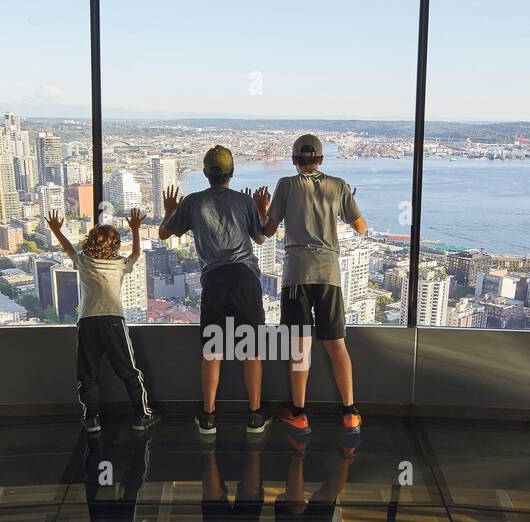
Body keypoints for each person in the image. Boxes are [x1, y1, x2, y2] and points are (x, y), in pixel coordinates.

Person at [256, 133, 367, 435]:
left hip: (297, 275)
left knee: (300, 348)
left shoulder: (286, 186)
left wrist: (261, 207)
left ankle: (300, 413)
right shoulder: (339, 185)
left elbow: (266, 230)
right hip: (329, 274)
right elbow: (361, 227)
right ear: (320, 160)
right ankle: (350, 412)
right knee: (336, 344)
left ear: (294, 160)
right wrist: (341, 205)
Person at [158, 144, 271, 439]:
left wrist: (170, 210)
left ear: (206, 173)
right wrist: (260, 207)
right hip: (245, 279)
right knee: (252, 351)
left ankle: (208, 417)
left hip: (215, 281)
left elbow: (163, 233)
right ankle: (255, 415)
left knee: (213, 352)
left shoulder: (193, 202)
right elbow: (260, 239)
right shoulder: (244, 202)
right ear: (232, 173)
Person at [46, 208, 159, 436]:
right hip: (113, 321)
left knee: (88, 374)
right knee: (129, 371)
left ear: (90, 242)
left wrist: (56, 230)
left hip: (87, 321)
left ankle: (91, 419)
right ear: (115, 245)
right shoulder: (119, 264)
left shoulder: (84, 262)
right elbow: (136, 253)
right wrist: (136, 229)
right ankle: (141, 416)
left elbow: (68, 249)